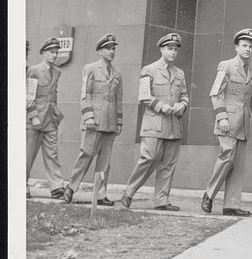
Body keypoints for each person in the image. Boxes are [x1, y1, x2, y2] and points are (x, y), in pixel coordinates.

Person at [201, 28, 252, 216]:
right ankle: (209, 194)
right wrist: (221, 117)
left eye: (250, 46)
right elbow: (216, 93)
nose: (248, 49)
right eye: (244, 45)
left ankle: (232, 205)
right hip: (227, 122)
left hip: (244, 125)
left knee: (238, 165)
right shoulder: (226, 66)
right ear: (237, 47)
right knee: (226, 157)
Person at [120, 33, 189, 211]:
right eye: (169, 48)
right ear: (161, 49)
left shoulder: (179, 73)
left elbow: (184, 94)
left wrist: (183, 105)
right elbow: (144, 96)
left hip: (174, 124)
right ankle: (129, 192)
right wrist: (161, 106)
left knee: (168, 164)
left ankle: (161, 200)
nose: (173, 52)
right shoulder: (148, 70)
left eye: (175, 49)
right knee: (148, 158)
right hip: (154, 124)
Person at [64, 33, 123, 205]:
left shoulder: (118, 73)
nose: (111, 51)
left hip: (110, 123)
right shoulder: (90, 68)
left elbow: (119, 99)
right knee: (86, 155)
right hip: (94, 121)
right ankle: (71, 188)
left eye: (113, 48)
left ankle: (100, 195)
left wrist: (119, 122)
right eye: (107, 48)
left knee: (105, 161)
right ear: (100, 51)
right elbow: (85, 95)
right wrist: (88, 115)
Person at [26, 37, 67, 199]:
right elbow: (29, 97)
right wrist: (33, 116)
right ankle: (22, 185)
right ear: (44, 53)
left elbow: (53, 97)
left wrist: (57, 114)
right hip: (34, 120)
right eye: (51, 52)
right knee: (28, 155)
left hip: (50, 120)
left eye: (56, 52)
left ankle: (56, 187)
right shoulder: (34, 70)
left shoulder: (57, 72)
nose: (54, 55)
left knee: (52, 153)